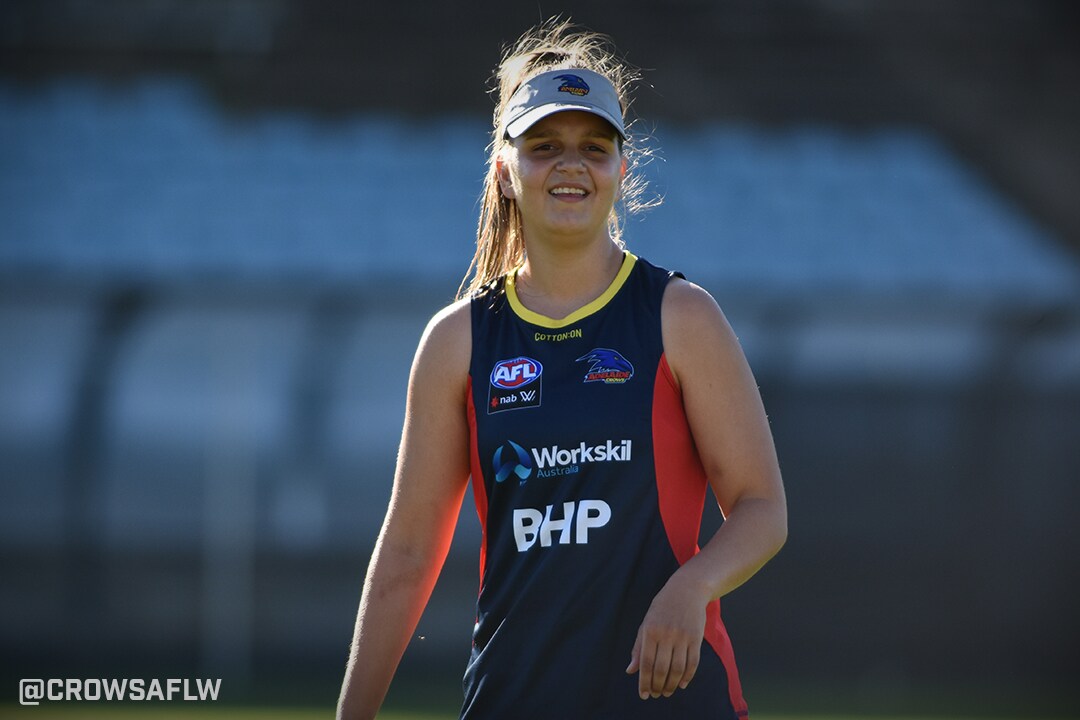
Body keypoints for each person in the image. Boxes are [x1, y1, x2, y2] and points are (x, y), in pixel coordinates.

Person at [337, 18, 787, 720]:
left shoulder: (681, 317)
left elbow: (763, 510)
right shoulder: (459, 342)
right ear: (505, 173)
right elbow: (406, 554)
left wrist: (690, 588)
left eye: (593, 147)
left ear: (621, 170)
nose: (571, 165)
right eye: (544, 147)